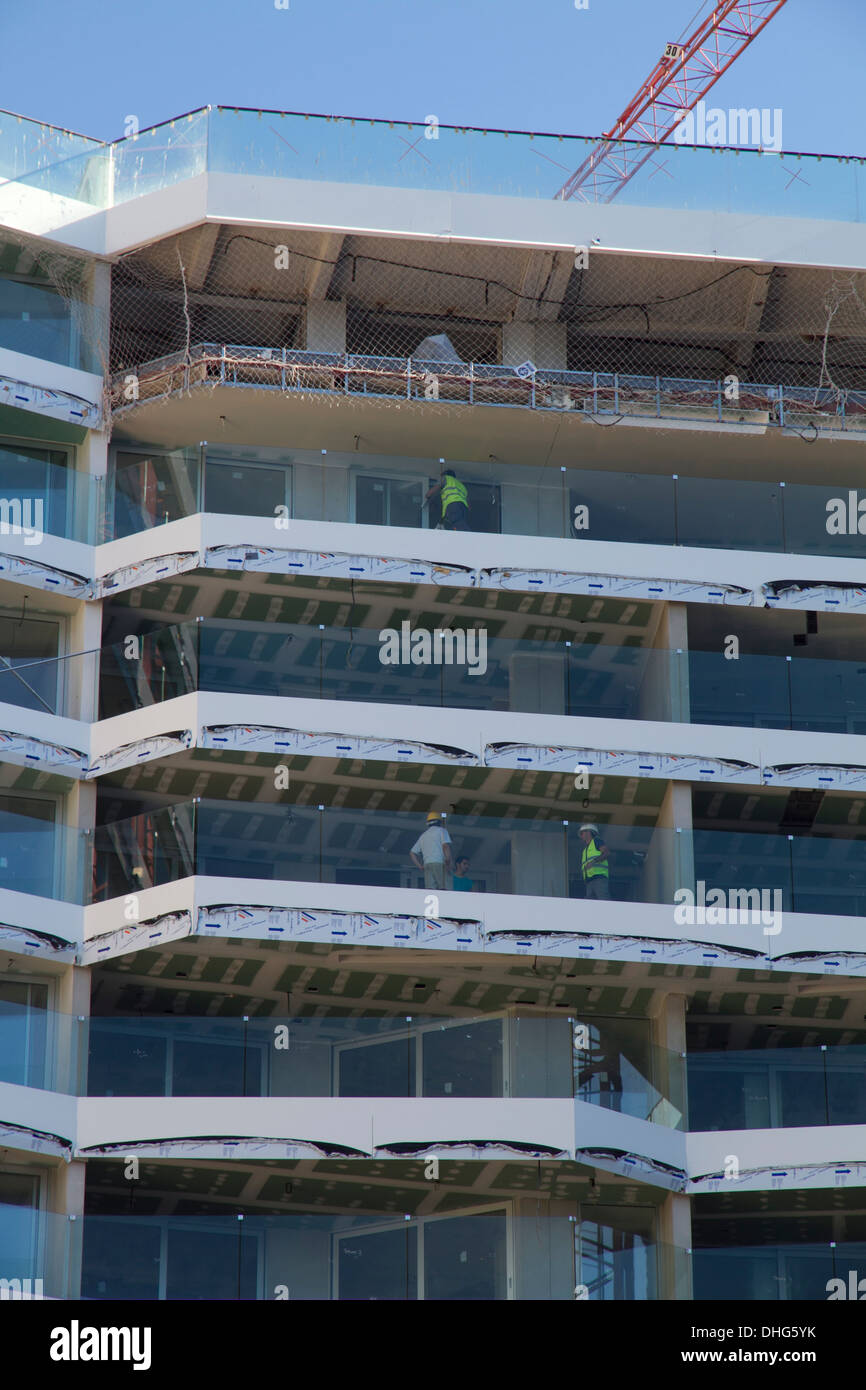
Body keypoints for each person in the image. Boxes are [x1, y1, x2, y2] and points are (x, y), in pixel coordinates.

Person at [410, 810, 453, 889]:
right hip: (439, 863)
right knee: (444, 888)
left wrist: (420, 866)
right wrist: (448, 861)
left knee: (430, 890)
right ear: (439, 822)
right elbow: (445, 846)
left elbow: (412, 852)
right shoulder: (442, 831)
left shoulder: (424, 835)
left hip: (427, 864)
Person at [579, 823, 610, 899]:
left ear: (589, 832)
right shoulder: (585, 850)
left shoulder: (597, 841)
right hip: (589, 880)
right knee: (590, 902)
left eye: (582, 833)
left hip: (599, 877)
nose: (581, 835)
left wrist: (593, 862)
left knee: (603, 898)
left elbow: (606, 853)